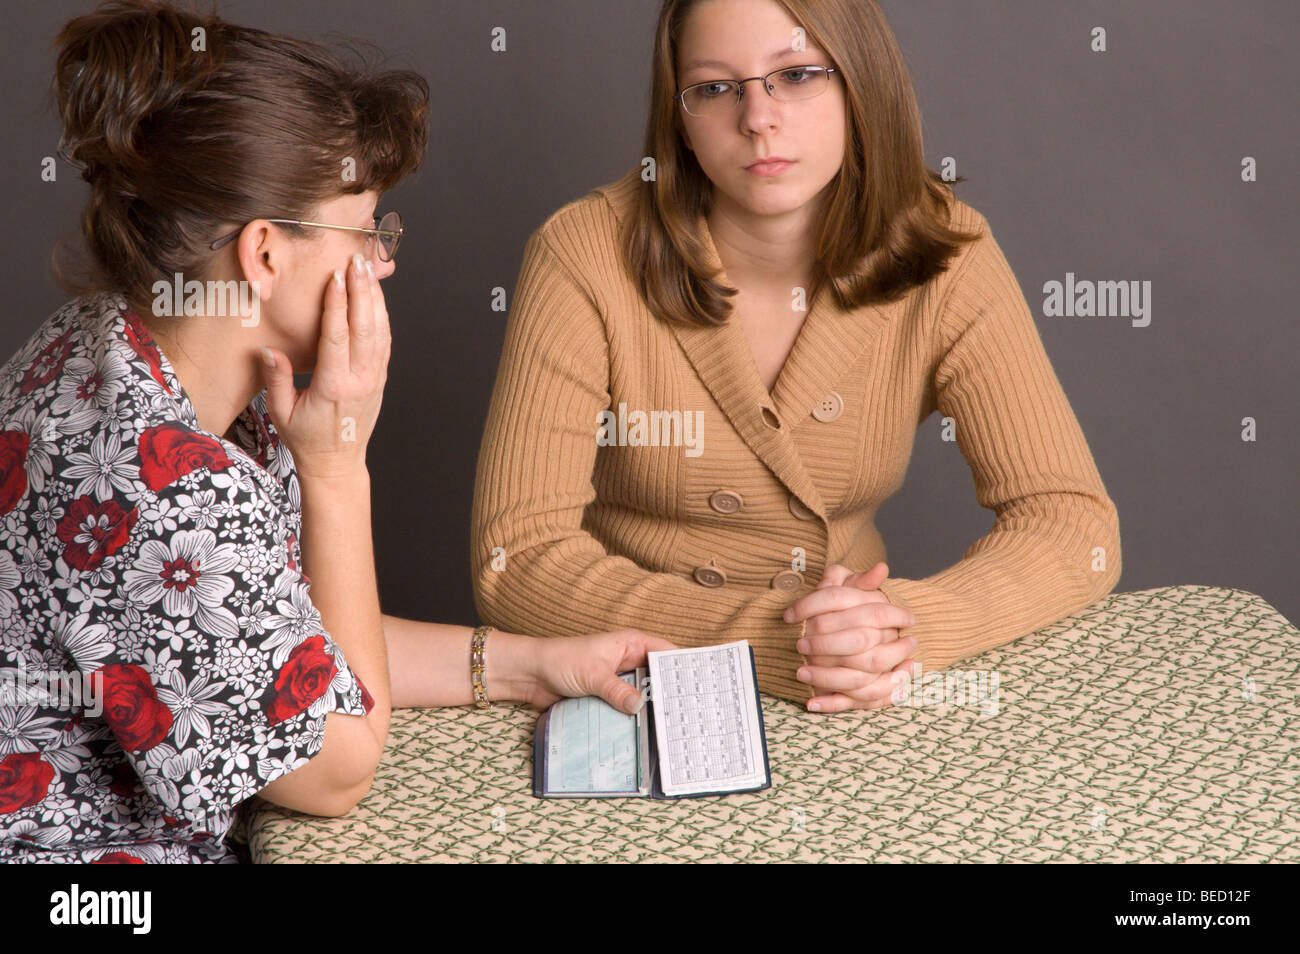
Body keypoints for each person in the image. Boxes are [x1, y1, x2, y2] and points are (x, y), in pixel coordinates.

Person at [0, 0, 668, 864]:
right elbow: (337, 763)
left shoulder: (103, 346)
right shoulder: (166, 482)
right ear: (265, 254)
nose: (383, 262)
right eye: (363, 232)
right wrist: (338, 468)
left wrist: (532, 665)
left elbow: (283, 649)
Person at [471, 0, 1122, 713]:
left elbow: (1071, 523)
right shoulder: (583, 254)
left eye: (798, 74)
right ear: (680, 121)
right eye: (715, 88)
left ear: (860, 86)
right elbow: (517, 561)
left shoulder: (946, 254)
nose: (757, 119)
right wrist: (768, 644)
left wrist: (901, 630)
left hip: (855, 689)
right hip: (637, 685)